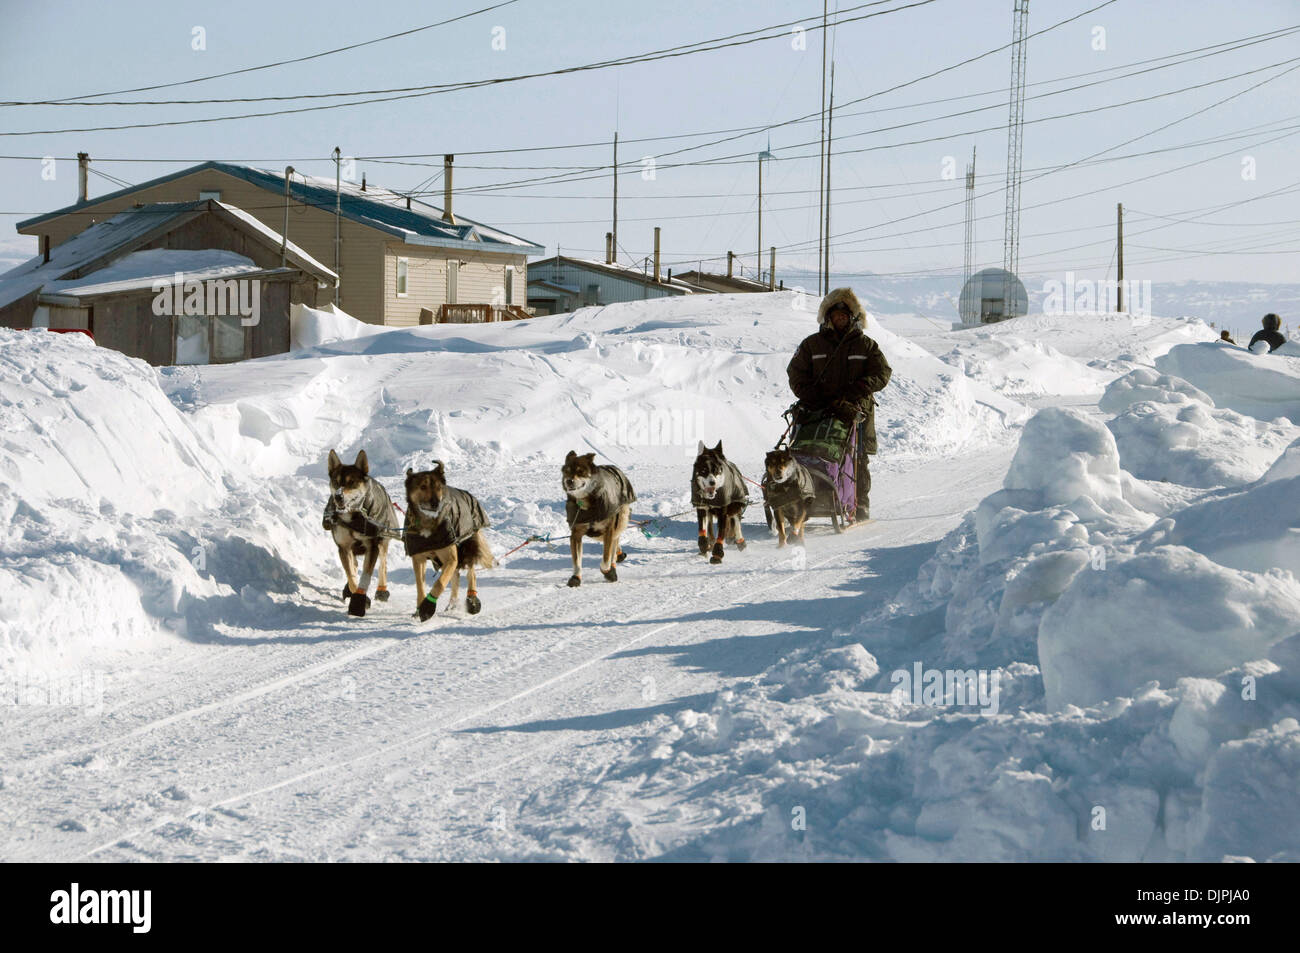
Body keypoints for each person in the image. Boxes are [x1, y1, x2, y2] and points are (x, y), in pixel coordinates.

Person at [787, 287, 892, 521]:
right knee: (808, 449)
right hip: (817, 410)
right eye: (835, 316)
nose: (840, 319)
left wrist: (858, 390)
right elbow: (795, 373)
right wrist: (810, 394)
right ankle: (804, 496)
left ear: (853, 317)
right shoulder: (811, 345)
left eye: (844, 316)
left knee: (857, 457)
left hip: (855, 411)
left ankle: (859, 503)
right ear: (828, 318)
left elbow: (883, 373)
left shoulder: (866, 346)